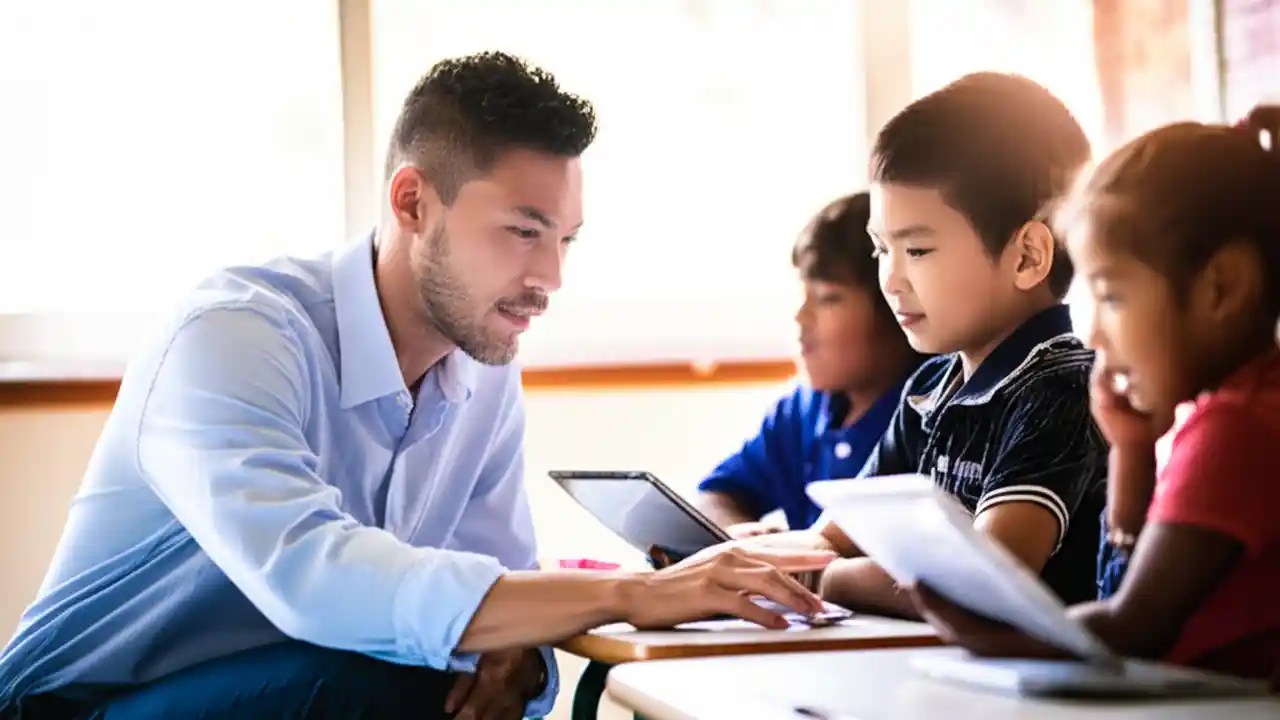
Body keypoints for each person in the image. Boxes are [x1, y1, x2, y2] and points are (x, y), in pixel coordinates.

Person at [0, 52, 831, 719]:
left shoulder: (486, 366)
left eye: (566, 240)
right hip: (83, 704)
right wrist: (635, 594)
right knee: (388, 685)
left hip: (303, 684)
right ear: (411, 203)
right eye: (521, 232)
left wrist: (516, 661)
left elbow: (497, 585)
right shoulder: (235, 335)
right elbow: (316, 579)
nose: (549, 277)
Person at [914, 109, 1280, 685]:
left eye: (1112, 297)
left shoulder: (1238, 427)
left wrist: (984, 634)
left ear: (1221, 287)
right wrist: (1132, 450)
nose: (1091, 334)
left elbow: (1135, 627)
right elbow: (1127, 591)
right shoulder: (1240, 411)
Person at [753, 73, 1109, 617]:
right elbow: (832, 539)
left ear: (1027, 257)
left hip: (1047, 698)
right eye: (880, 251)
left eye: (916, 250)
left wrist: (820, 581)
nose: (891, 281)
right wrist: (727, 565)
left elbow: (981, 584)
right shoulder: (931, 387)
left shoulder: (1059, 388)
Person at [696, 192, 922, 539]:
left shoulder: (928, 416)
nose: (801, 317)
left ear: (896, 307)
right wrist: (741, 536)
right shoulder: (803, 411)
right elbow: (715, 495)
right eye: (802, 295)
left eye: (828, 298)